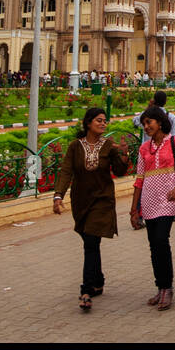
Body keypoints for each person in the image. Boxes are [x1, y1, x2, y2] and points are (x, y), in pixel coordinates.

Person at [53, 107, 130, 311]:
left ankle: (86, 290)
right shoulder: (75, 147)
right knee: (90, 241)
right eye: (99, 120)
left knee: (90, 241)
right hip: (81, 202)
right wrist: (58, 195)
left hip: (102, 201)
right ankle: (98, 280)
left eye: (105, 121)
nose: (103, 124)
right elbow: (66, 171)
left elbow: (120, 171)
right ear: (88, 123)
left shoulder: (109, 147)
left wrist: (124, 153)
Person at [129, 108, 175, 310]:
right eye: (144, 123)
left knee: (161, 241)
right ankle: (160, 287)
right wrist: (133, 209)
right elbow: (139, 179)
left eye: (150, 122)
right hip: (148, 201)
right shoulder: (144, 148)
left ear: (161, 122)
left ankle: (168, 288)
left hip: (168, 199)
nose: (147, 126)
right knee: (153, 246)